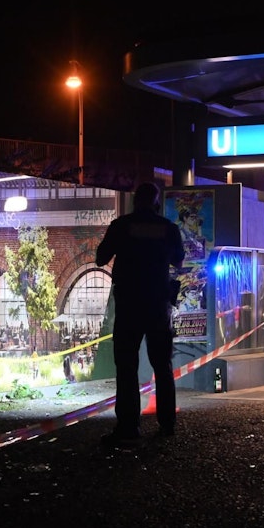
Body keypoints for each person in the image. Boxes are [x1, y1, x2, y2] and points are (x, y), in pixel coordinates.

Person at [95, 182, 185, 446]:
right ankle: (167, 424)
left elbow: (101, 258)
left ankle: (128, 426)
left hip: (129, 305)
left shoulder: (121, 226)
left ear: (135, 202)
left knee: (126, 366)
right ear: (157, 203)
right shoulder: (168, 229)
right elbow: (178, 260)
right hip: (158, 305)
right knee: (162, 365)